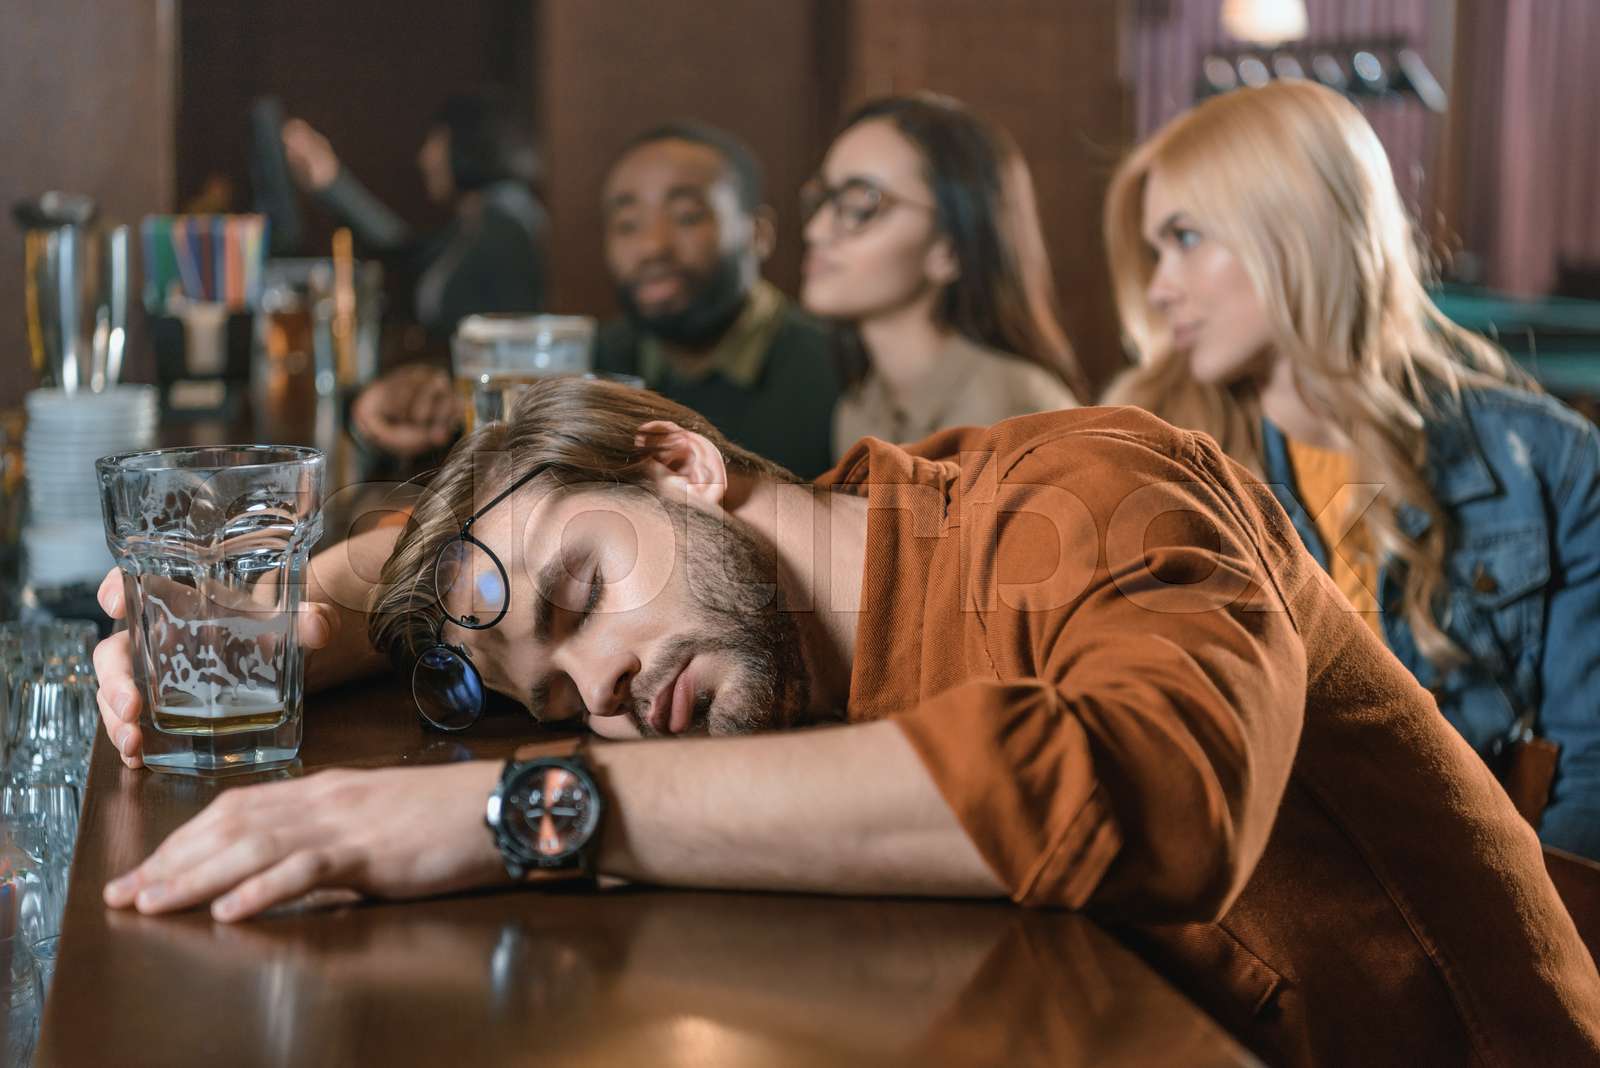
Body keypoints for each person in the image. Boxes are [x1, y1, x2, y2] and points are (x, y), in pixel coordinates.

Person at [93, 377, 1600, 1065]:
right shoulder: (799, 607)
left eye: (585, 593)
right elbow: (478, 556)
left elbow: (1156, 793)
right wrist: (272, 631)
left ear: (683, 463)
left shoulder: (1087, 496)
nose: (598, 688)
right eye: (553, 702)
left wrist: (522, 808)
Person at [1101, 80, 1600, 859]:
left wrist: (1522, 967)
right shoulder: (1161, 460)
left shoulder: (1551, 463)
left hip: (1488, 919)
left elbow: (1590, 780)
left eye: (1186, 237)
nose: (1160, 287)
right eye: (1156, 250)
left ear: (1293, 231)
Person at [350, 121, 841, 479]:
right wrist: (396, 408)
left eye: (688, 216)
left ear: (758, 234)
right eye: (627, 224)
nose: (652, 247)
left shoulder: (836, 372)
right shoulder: (587, 362)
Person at [801, 94, 1084, 457]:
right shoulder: (858, 409)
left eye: (860, 204)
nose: (817, 229)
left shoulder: (1014, 409)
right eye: (823, 197)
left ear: (948, 249)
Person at [282, 90, 547, 340]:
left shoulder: (503, 230)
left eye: (437, 141)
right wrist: (331, 182)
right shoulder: (490, 218)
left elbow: (404, 253)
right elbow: (408, 250)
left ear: (468, 144)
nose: (424, 157)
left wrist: (333, 182)